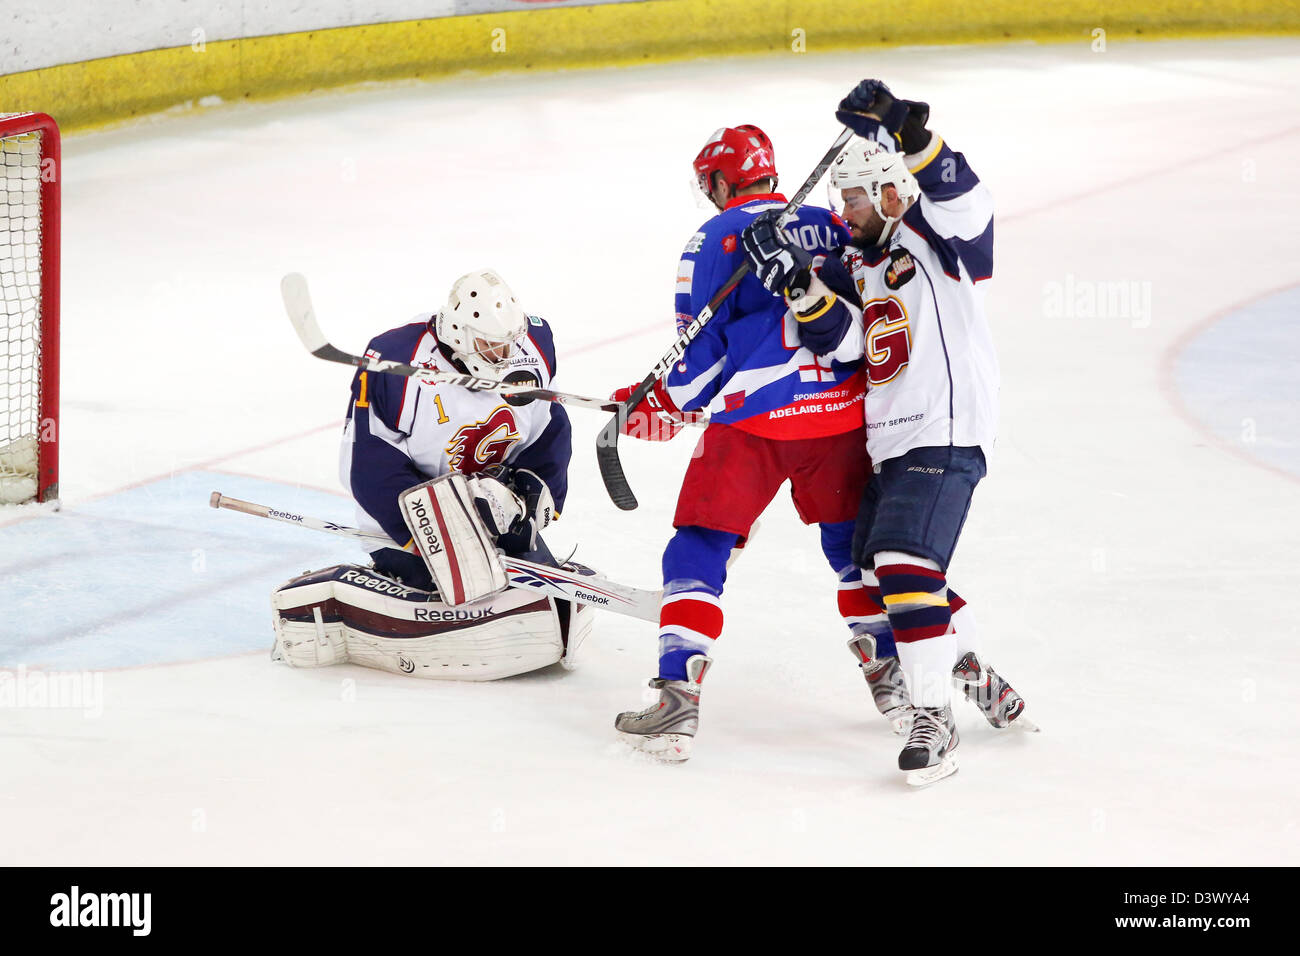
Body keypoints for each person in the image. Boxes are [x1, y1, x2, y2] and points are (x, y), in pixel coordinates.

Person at [741, 80, 1029, 784]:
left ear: (893, 191)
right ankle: (968, 667)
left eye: (855, 199)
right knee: (878, 575)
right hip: (892, 443)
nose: (845, 213)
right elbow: (843, 344)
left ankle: (935, 716)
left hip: (946, 429)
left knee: (902, 562)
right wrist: (793, 280)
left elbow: (970, 204)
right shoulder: (863, 265)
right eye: (841, 201)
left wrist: (905, 128)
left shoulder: (931, 238)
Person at [610, 125, 876, 760]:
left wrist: (658, 404)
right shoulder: (830, 221)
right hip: (840, 419)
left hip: (752, 426)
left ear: (723, 183)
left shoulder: (708, 241)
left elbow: (697, 352)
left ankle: (678, 700)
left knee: (699, 546)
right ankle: (892, 678)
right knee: (851, 551)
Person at [269, 268, 592, 680]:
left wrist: (528, 496)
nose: (504, 355)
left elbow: (550, 428)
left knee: (531, 583)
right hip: (412, 514)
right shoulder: (396, 363)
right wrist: (445, 525)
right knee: (465, 590)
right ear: (458, 332)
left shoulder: (532, 348)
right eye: (489, 346)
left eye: (509, 342)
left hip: (493, 503)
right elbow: (369, 467)